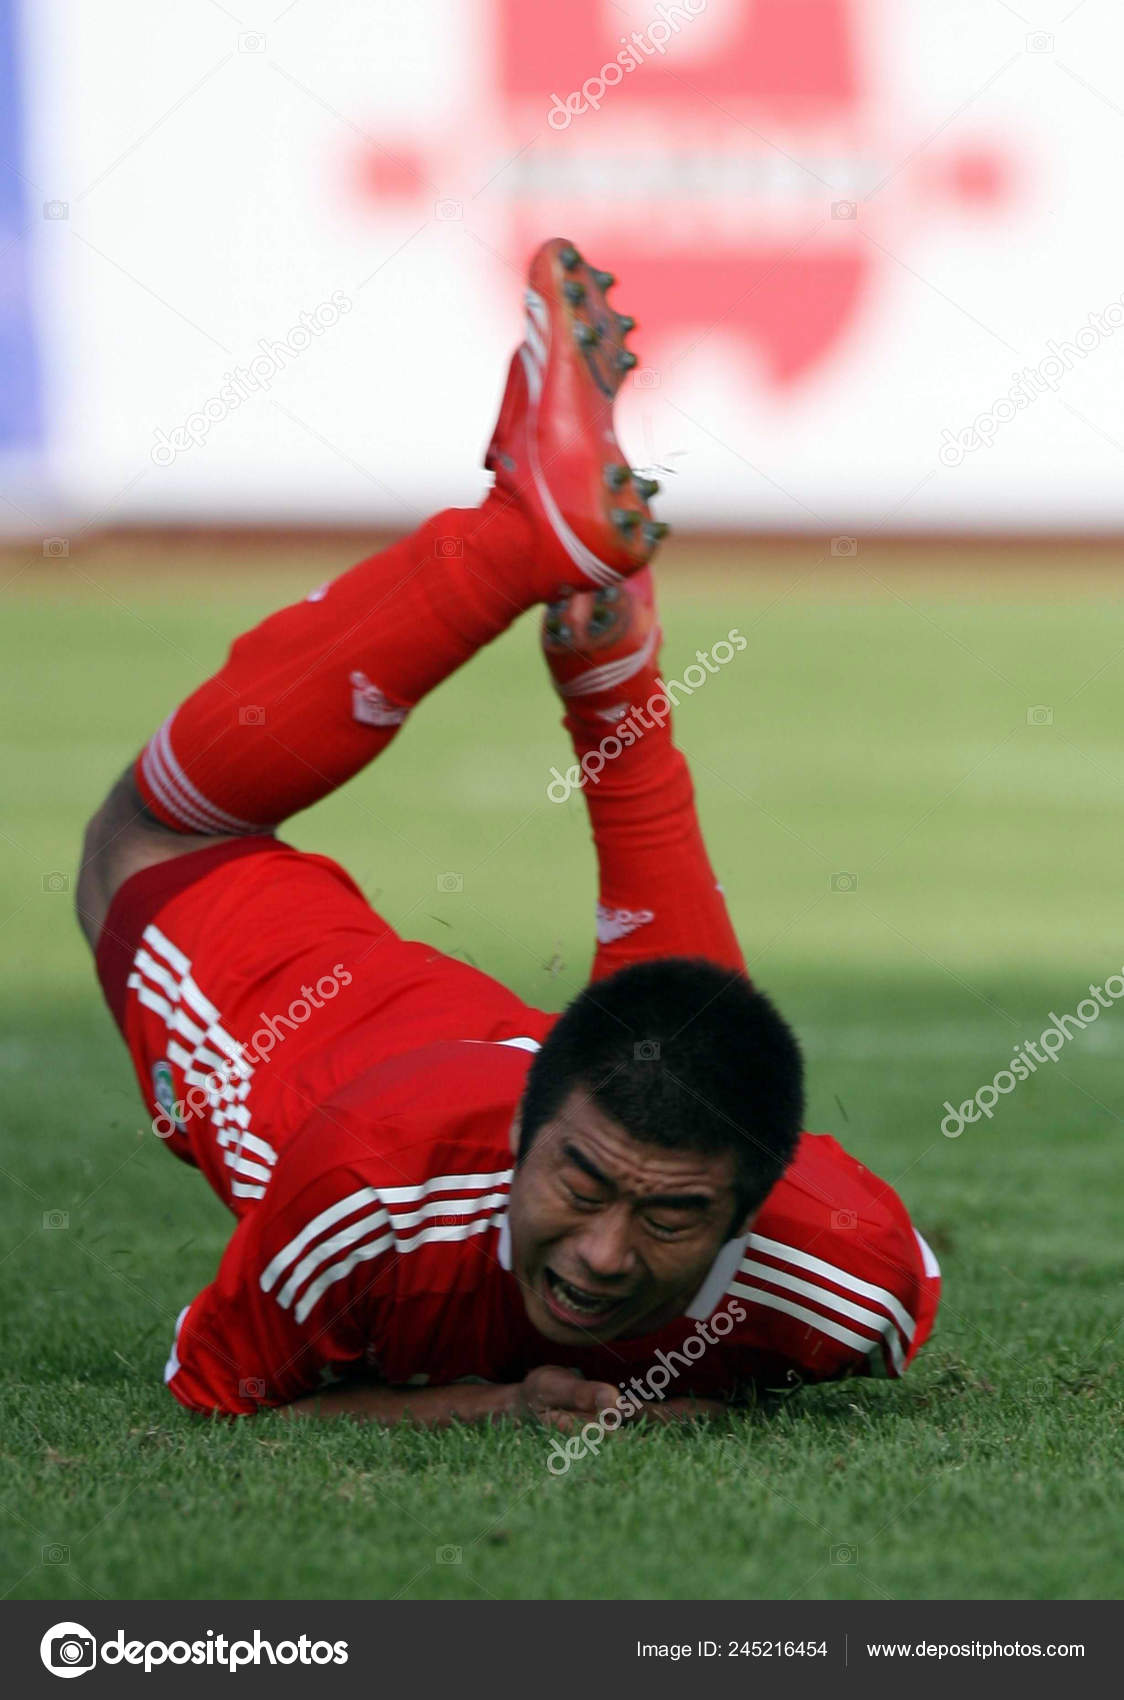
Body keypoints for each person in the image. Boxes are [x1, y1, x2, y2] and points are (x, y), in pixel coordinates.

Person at [76, 238, 940, 1427]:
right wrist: (488, 1406)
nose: (597, 1255)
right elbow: (221, 1402)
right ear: (522, 1135)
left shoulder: (842, 1272)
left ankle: (579, 619)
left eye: (672, 1216)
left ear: (750, 1212)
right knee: (149, 841)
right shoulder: (364, 1194)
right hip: (320, 1057)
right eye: (576, 1187)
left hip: (462, 1040)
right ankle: (536, 568)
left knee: (678, 1041)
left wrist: (656, 1398)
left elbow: (818, 1247)